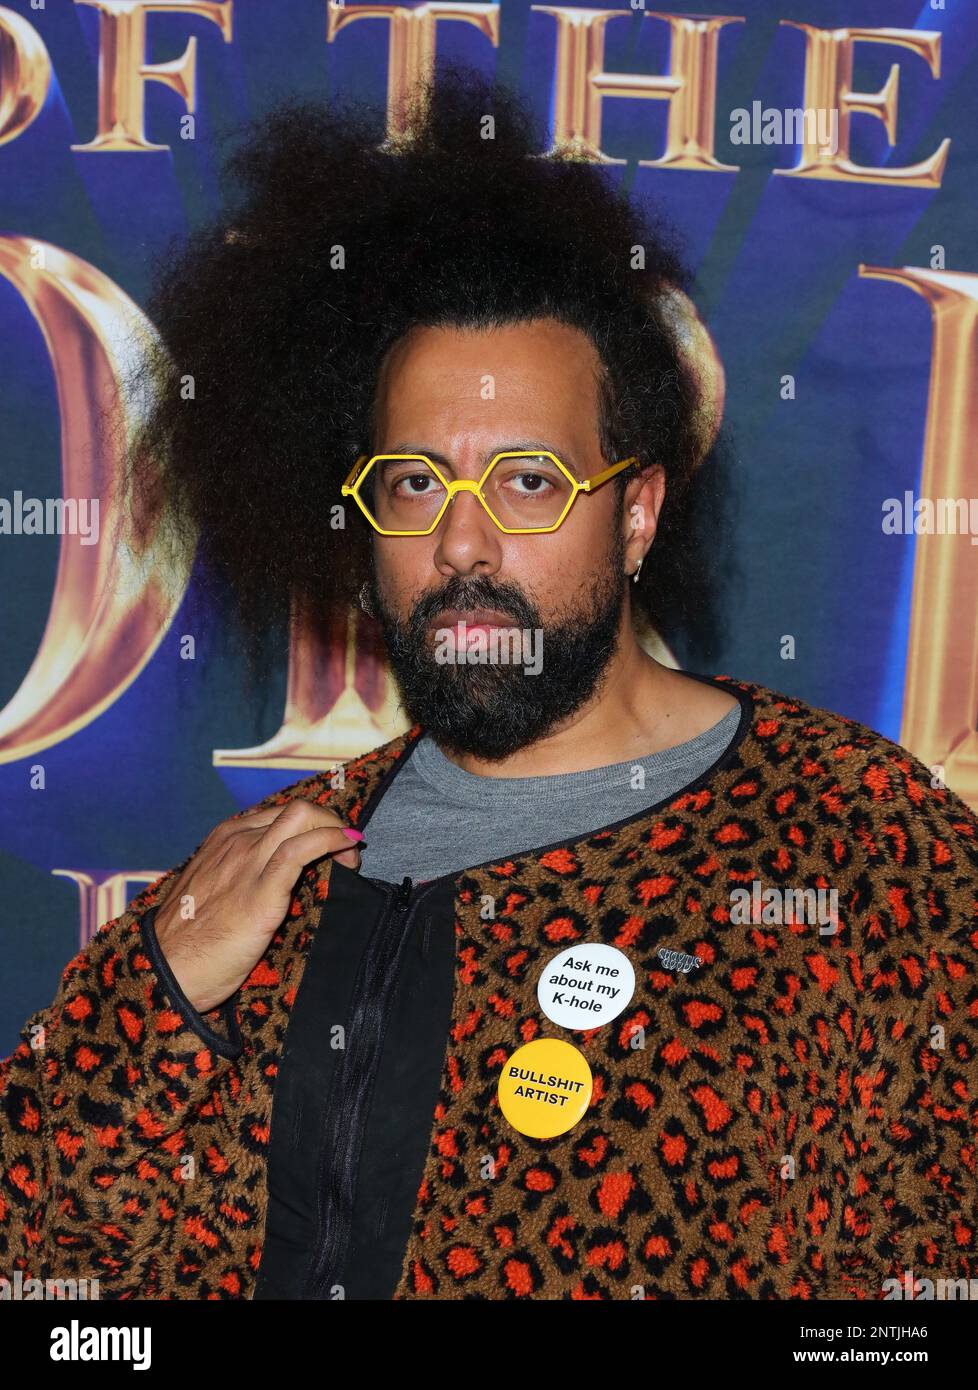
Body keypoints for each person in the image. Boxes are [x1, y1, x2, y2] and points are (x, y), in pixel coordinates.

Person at [2, 67, 975, 1302]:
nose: (461, 548)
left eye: (528, 483)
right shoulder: (278, 881)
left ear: (636, 514)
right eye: (416, 483)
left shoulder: (863, 845)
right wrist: (152, 1000)